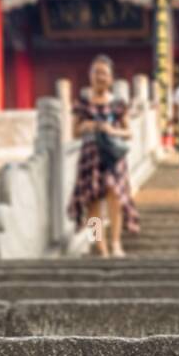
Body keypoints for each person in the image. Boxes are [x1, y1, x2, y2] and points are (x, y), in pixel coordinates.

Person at [69, 55, 139, 257]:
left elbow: (129, 132)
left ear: (111, 78)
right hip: (90, 155)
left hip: (112, 155)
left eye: (104, 73)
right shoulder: (82, 103)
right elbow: (74, 132)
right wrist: (88, 125)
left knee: (115, 196)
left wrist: (111, 130)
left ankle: (116, 243)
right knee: (92, 202)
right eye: (96, 72)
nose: (100, 77)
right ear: (90, 76)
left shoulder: (118, 104)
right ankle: (99, 246)